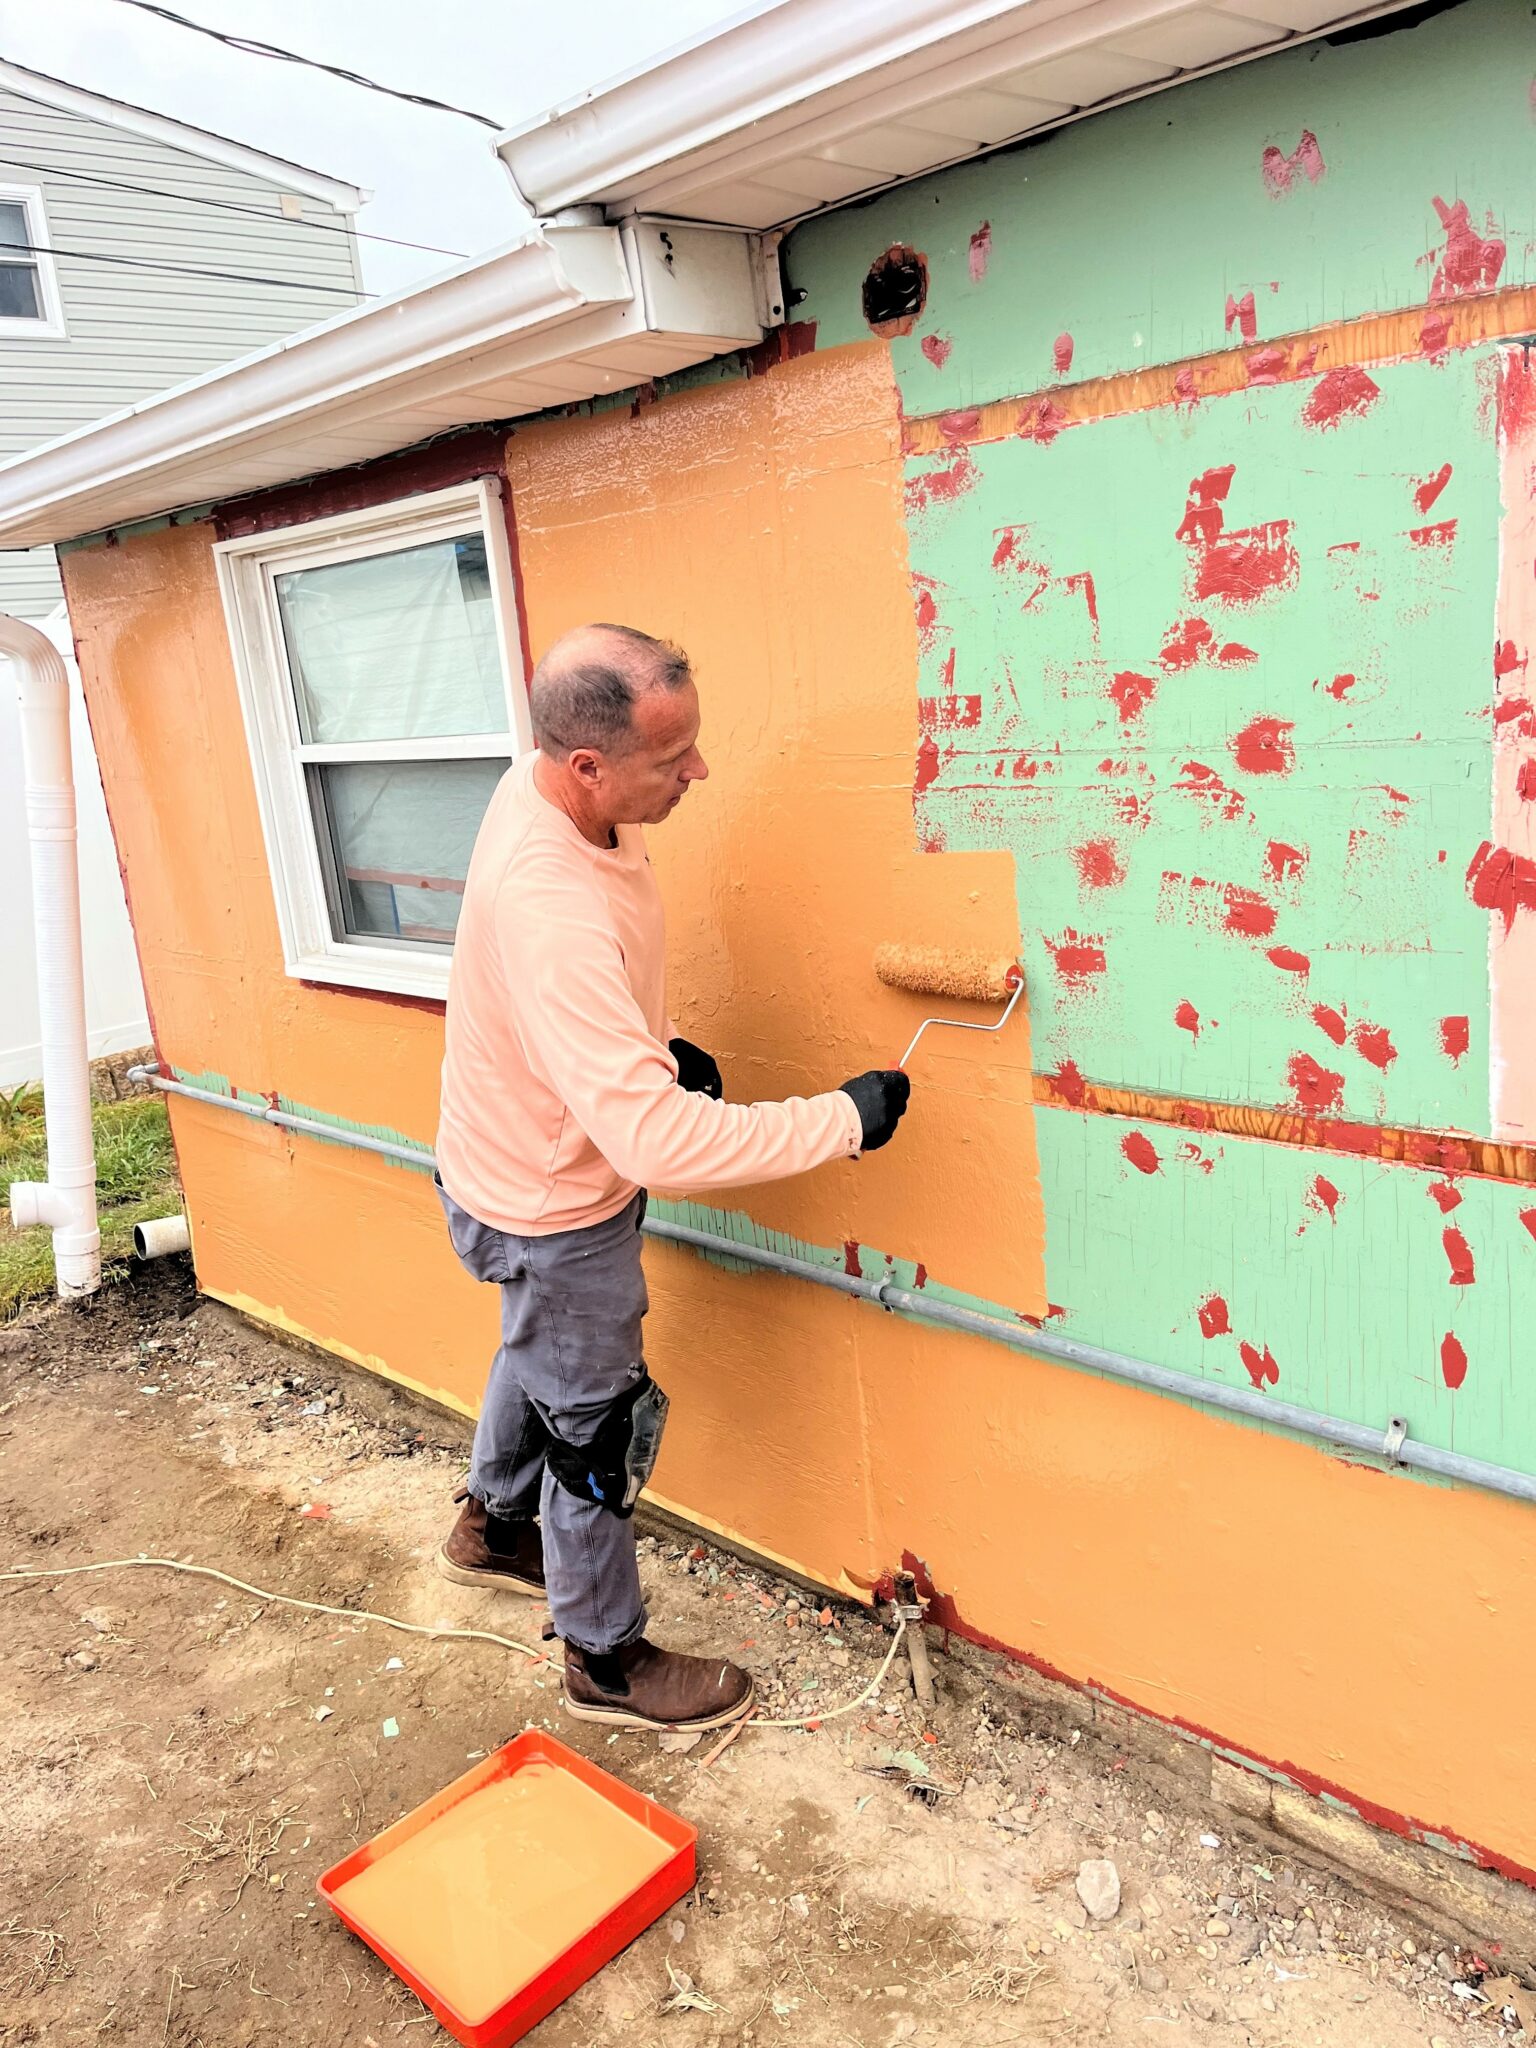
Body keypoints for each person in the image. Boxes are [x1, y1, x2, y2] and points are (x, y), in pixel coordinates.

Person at [433, 623, 912, 1732]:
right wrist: (841, 1119)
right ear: (587, 763)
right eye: (671, 756)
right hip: (555, 1205)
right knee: (593, 1423)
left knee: (540, 1346)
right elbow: (657, 1145)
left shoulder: (541, 790)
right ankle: (603, 1658)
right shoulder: (549, 903)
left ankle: (494, 1526)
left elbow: (567, 1010)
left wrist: (646, 1052)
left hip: (500, 1155)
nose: (698, 770)